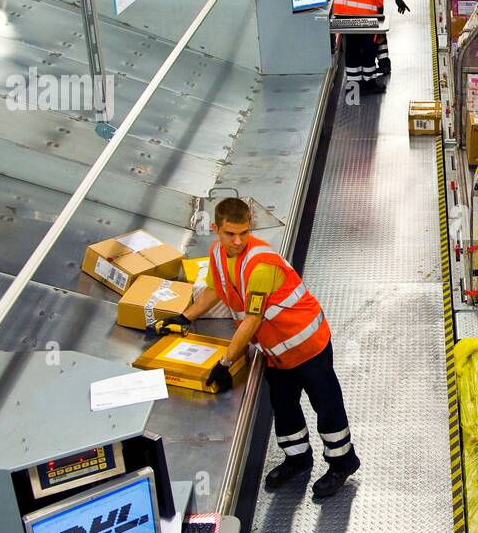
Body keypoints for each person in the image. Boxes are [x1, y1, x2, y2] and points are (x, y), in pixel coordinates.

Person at [152, 198, 360, 498]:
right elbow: (214, 289)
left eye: (244, 233)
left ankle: (343, 461)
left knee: (326, 406)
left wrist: (225, 363)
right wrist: (185, 316)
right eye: (230, 234)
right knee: (284, 407)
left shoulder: (260, 264)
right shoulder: (218, 255)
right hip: (276, 352)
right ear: (215, 229)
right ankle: (298, 459)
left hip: (308, 346)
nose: (237, 241)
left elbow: (252, 318)